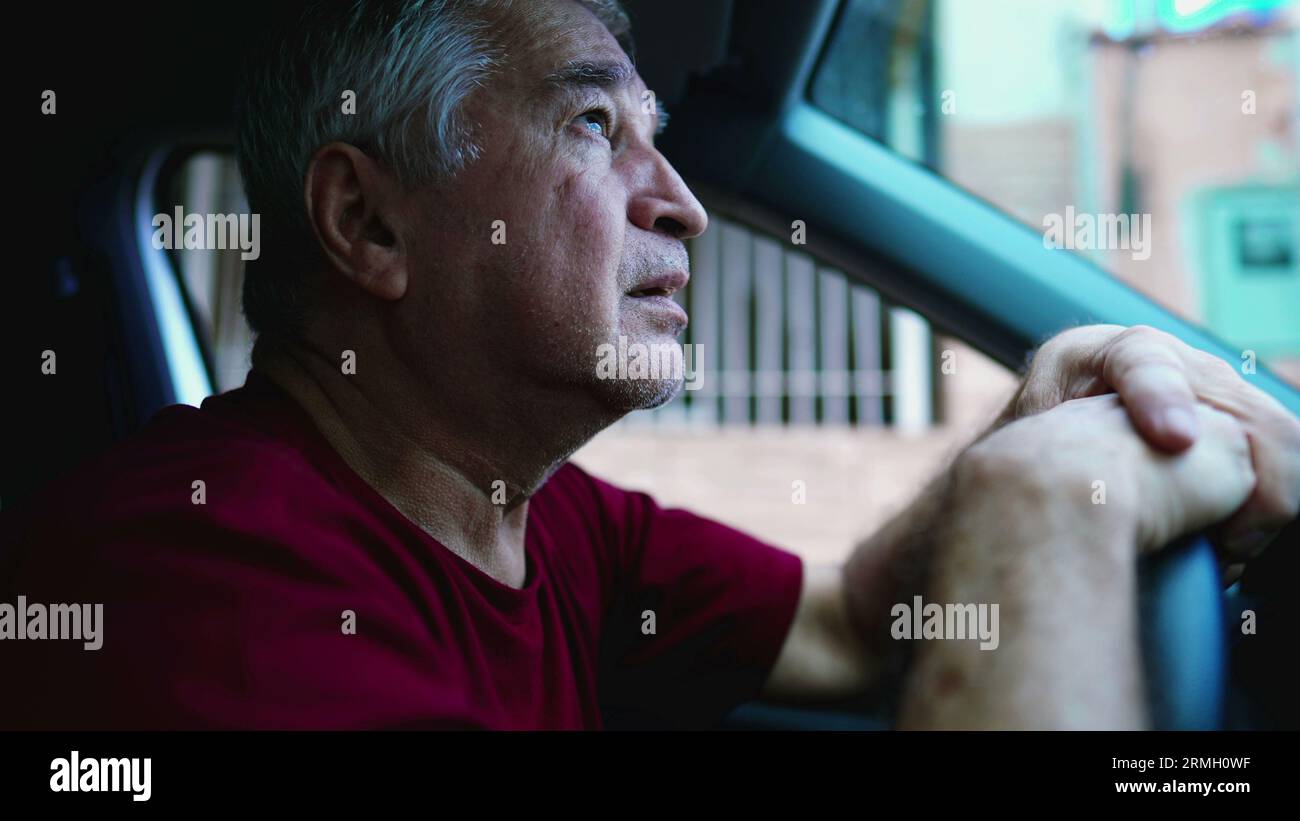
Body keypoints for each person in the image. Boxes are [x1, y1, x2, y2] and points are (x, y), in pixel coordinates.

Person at [2, 0, 1296, 729]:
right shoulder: (194, 592)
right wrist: (1038, 514)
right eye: (591, 125)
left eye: (659, 139)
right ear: (370, 223)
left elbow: (860, 621)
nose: (681, 202)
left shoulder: (541, 519)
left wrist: (1029, 431)